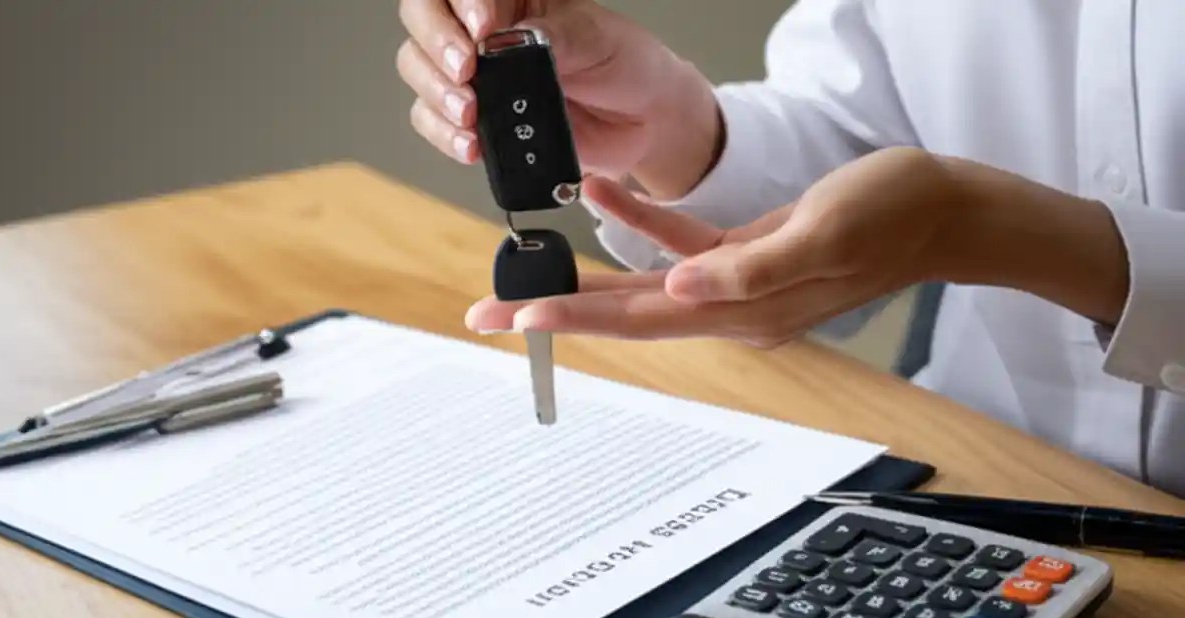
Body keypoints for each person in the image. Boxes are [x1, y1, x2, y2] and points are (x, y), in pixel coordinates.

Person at [396, 0, 1185, 496]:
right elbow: (858, 132)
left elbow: (922, 205)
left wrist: (987, 231)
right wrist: (672, 128)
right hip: (967, 477)